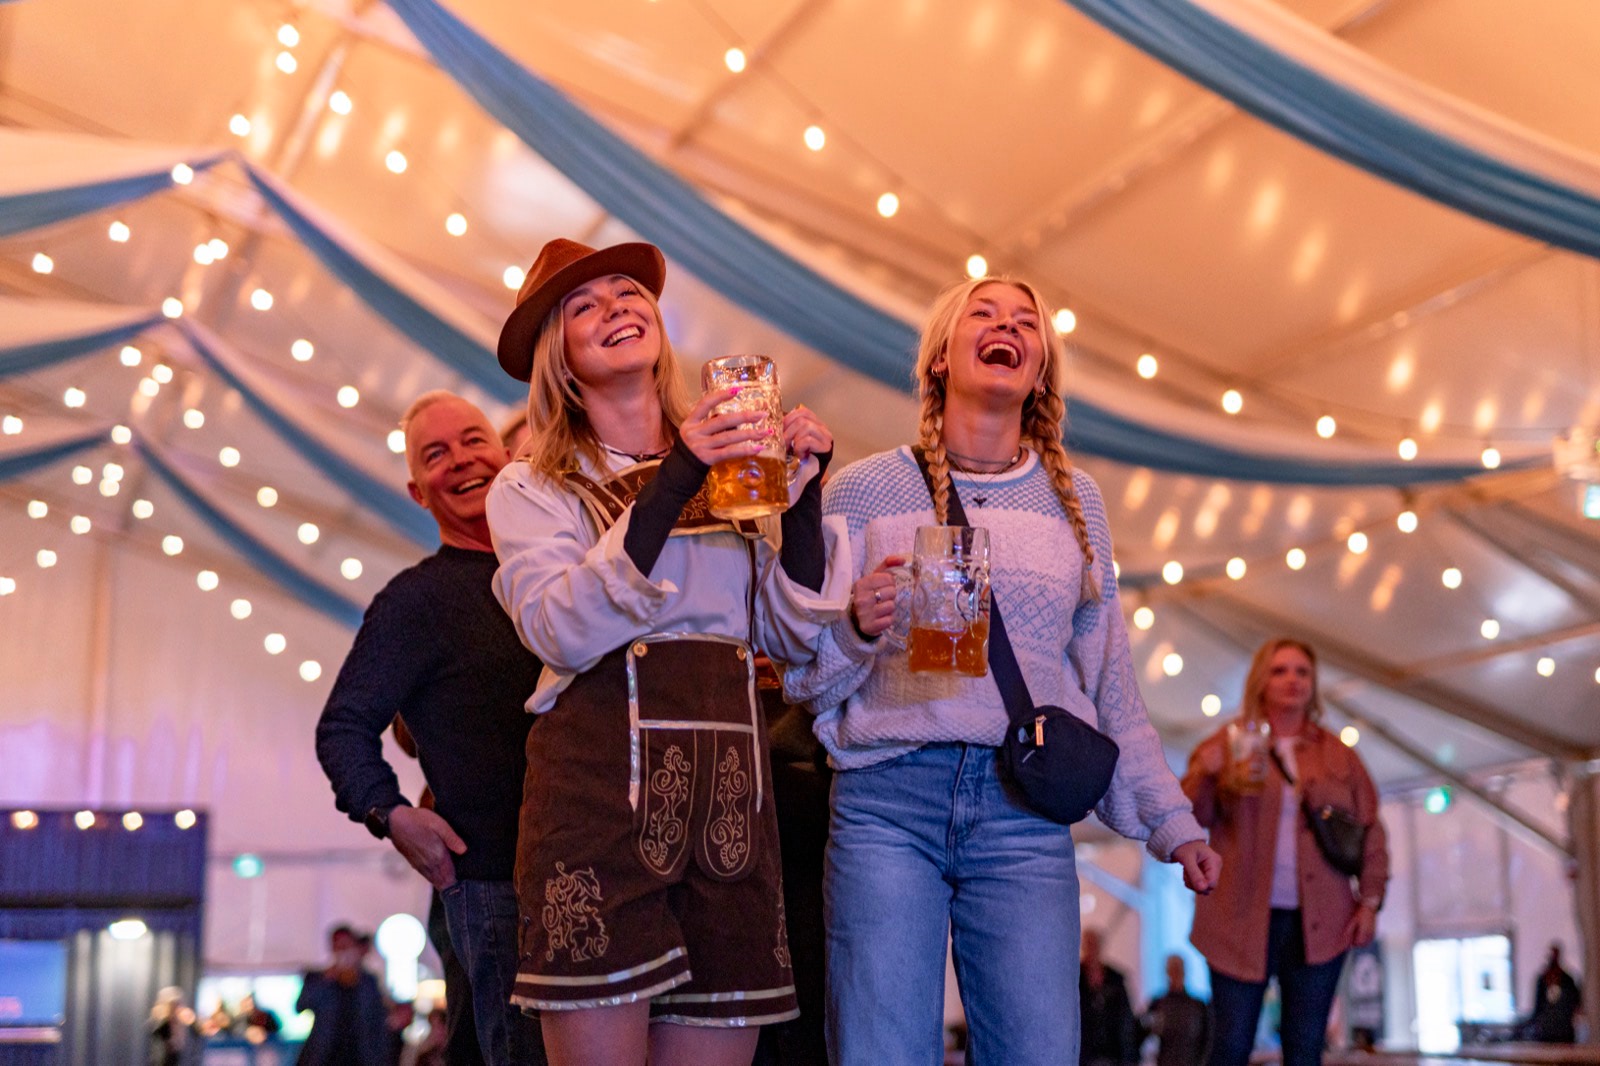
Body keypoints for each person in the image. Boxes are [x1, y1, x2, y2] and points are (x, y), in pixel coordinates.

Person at [781, 273, 1221, 1066]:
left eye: (1026, 322)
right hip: (886, 802)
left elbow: (1111, 683)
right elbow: (804, 677)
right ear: (939, 359)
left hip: (1024, 810)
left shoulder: (1077, 503)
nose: (1007, 326)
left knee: (1039, 1051)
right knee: (879, 1052)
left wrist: (1172, 821)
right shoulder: (862, 489)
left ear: (1040, 370)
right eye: (983, 313)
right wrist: (854, 628)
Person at [486, 238, 849, 1066]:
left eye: (627, 293)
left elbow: (790, 635)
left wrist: (804, 500)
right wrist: (679, 471)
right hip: (596, 815)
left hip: (730, 819)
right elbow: (559, 629)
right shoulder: (532, 486)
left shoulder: (734, 480)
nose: (615, 307)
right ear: (559, 360)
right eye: (584, 306)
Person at [315, 390, 545, 1066]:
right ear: (418, 492)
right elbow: (343, 726)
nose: (462, 460)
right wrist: (391, 815)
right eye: (436, 454)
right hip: (496, 885)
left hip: (599, 865)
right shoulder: (415, 602)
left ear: (507, 456)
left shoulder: (559, 571)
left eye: (473, 440)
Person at [1182, 637, 1389, 1066]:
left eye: (1302, 672)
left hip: (1323, 921)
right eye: (1280, 670)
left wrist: (1370, 902)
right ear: (1261, 680)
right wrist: (1205, 772)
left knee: (1306, 1048)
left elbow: (1371, 831)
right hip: (1237, 918)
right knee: (1231, 1045)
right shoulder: (1228, 742)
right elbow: (1187, 815)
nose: (1293, 680)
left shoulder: (1339, 755)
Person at [296, 924, 390, 1066]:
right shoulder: (318, 978)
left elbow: (378, 1019)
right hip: (326, 1056)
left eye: (346, 946)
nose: (343, 951)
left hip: (360, 1057)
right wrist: (326, 979)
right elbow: (301, 1006)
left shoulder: (368, 981)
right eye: (339, 946)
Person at [1080, 929, 1139, 1066]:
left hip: (1112, 1053)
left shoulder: (1115, 981)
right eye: (1089, 944)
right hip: (1086, 1054)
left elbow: (1126, 1019)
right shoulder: (1076, 980)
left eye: (1094, 944)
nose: (1092, 949)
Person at [1143, 954, 1211, 1066]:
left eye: (1178, 970)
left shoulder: (1198, 1006)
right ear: (1167, 972)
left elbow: (1207, 1040)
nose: (1175, 974)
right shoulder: (1158, 1004)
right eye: (1172, 970)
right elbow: (1143, 1032)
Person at [1526, 942, 1582, 1043]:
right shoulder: (1543, 980)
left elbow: (1575, 1002)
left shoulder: (1567, 980)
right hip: (1546, 1031)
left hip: (1564, 1031)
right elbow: (1538, 1005)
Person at [148, 986, 199, 1066]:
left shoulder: (182, 1023)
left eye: (178, 1005)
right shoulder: (160, 1026)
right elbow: (158, 1051)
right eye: (173, 1005)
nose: (176, 1009)